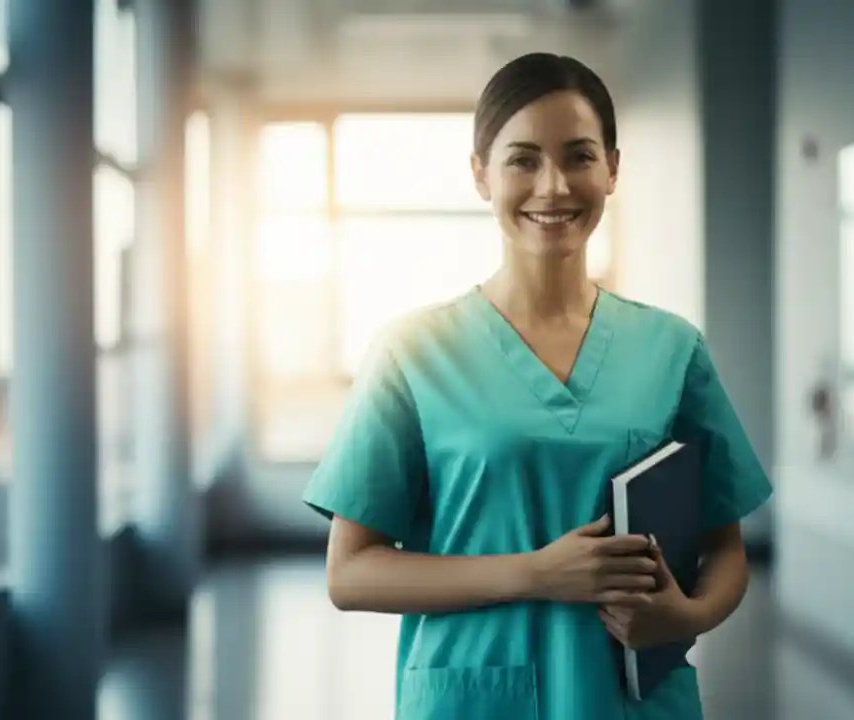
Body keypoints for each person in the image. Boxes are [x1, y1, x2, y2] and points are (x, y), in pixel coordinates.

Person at [302, 52, 772, 720]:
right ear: (480, 175)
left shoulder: (671, 350)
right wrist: (535, 573)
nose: (553, 186)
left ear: (612, 167)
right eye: (522, 159)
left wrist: (683, 615)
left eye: (579, 156)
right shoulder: (412, 351)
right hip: (475, 701)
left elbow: (725, 546)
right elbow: (350, 574)